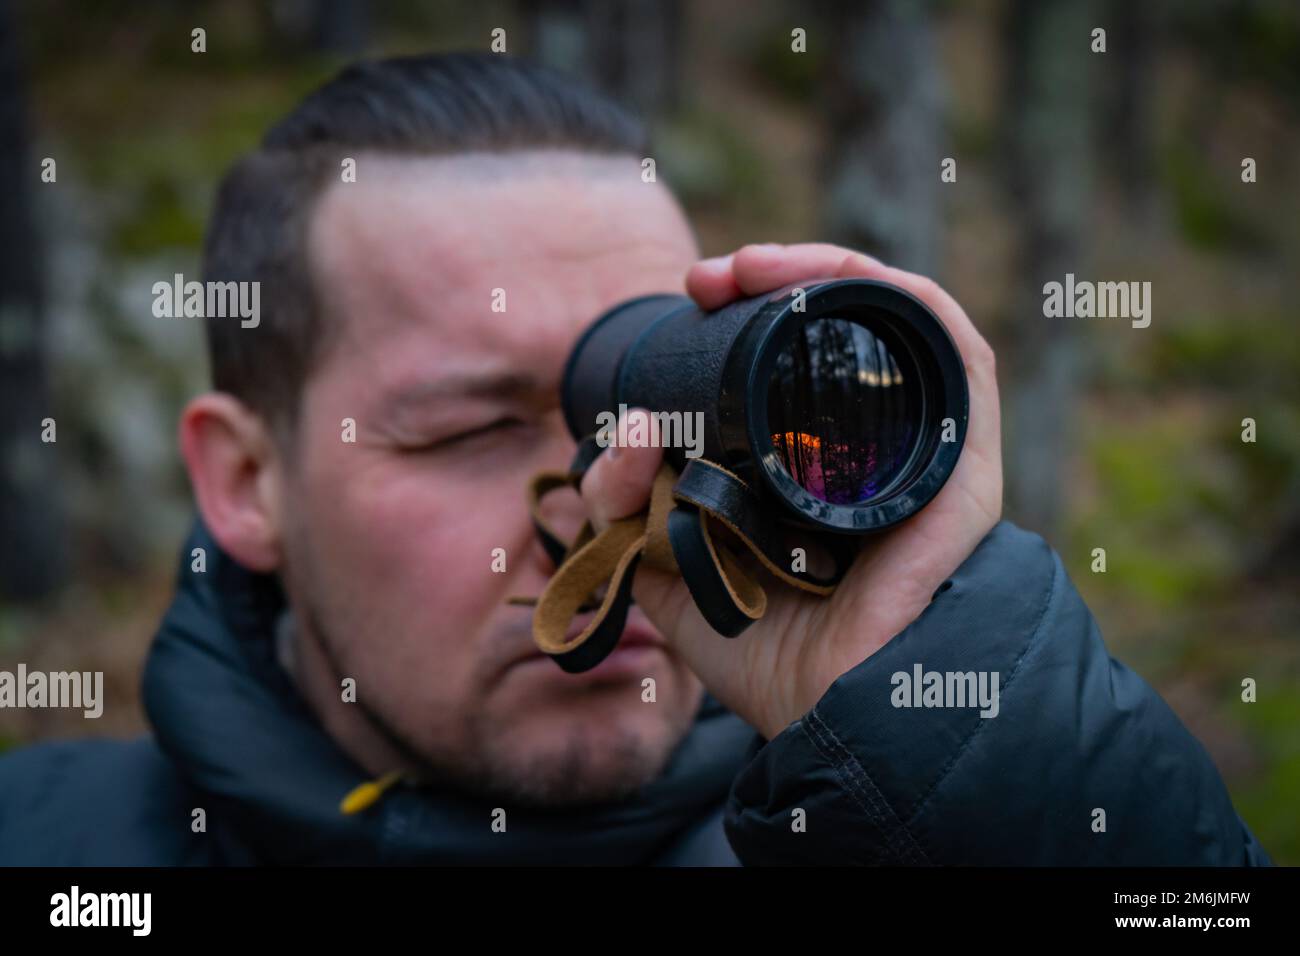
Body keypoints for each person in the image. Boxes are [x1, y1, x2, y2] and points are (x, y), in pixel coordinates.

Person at [0, 52, 1269, 865]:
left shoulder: (892, 837)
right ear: (244, 482)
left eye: (650, 402)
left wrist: (963, 728)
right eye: (465, 428)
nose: (595, 507)